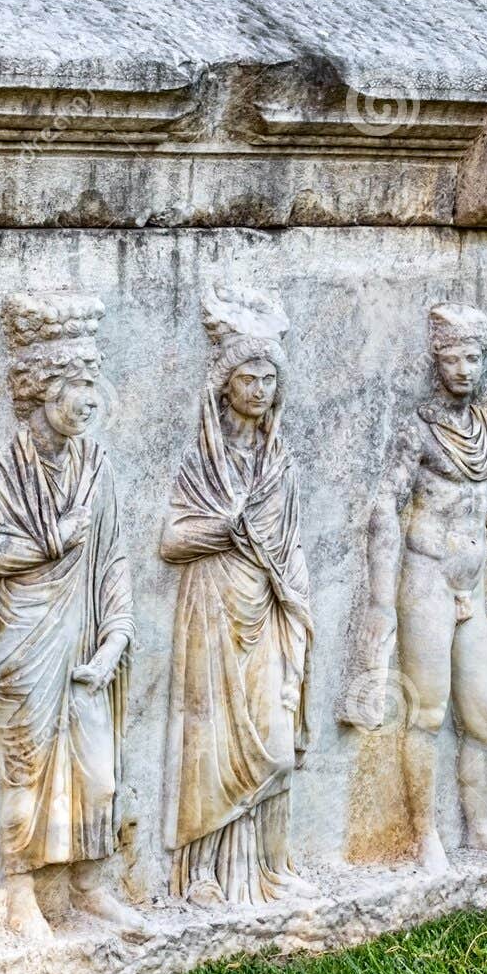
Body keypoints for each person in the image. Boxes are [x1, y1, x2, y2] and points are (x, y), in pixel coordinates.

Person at [0, 293, 145, 939]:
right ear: (42, 390)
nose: (90, 399)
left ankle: (91, 885)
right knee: (27, 769)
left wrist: (116, 634)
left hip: (85, 641)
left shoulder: (95, 466)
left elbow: (114, 555)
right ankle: (20, 892)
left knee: (96, 777)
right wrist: (48, 542)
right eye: (76, 385)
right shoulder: (10, 467)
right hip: (25, 640)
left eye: (93, 384)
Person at [337, 303, 487, 871]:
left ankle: (480, 827)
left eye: (473, 358)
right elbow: (385, 510)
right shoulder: (416, 429)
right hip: (425, 579)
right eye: (453, 359)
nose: (464, 369)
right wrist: (379, 600)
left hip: (468, 586)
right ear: (436, 362)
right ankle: (426, 836)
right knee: (427, 713)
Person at [161, 286, 315, 905]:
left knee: (275, 736)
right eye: (248, 376)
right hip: (213, 607)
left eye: (268, 378)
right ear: (225, 385)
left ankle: (270, 868)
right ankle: (201, 874)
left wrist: (297, 596)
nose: (259, 388)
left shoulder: (280, 464)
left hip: (270, 607)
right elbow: (172, 539)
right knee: (209, 736)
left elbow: (292, 539)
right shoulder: (205, 461)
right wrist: (222, 528)